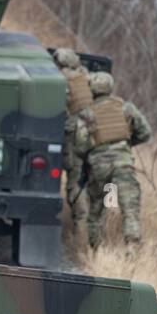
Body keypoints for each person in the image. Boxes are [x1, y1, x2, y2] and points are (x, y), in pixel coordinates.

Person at [72, 71, 152, 249]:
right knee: (129, 207)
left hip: (98, 167)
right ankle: (132, 248)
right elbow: (145, 132)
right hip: (123, 164)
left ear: (92, 89)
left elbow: (79, 146)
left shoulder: (86, 114)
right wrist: (127, 144)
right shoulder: (126, 108)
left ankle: (98, 250)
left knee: (96, 208)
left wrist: (93, 151)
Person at [53, 48, 93, 230]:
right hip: (94, 134)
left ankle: (82, 229)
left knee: (75, 182)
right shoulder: (86, 77)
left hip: (75, 135)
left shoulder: (60, 79)